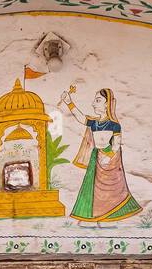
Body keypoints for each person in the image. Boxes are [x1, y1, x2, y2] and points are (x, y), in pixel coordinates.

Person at [60, 87, 142, 224]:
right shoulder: (94, 123)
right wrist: (69, 102)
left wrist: (108, 156)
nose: (93, 103)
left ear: (107, 104)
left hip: (109, 161)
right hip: (96, 157)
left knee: (111, 191)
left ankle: (107, 217)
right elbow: (80, 118)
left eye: (98, 100)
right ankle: (92, 216)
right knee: (91, 188)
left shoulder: (114, 125)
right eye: (94, 100)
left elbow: (116, 144)